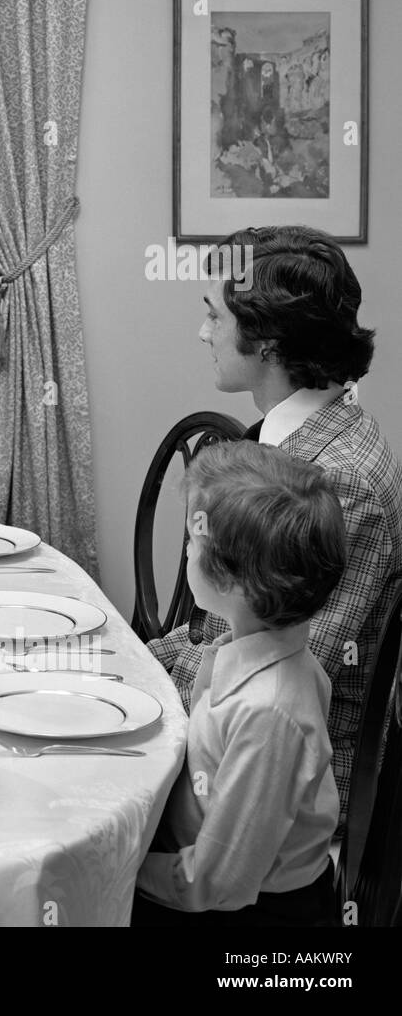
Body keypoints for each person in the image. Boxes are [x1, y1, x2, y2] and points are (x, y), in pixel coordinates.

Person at [148, 226, 402, 809]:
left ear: (266, 341)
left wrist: (133, 670)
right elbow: (217, 640)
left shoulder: (340, 481)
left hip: (281, 785)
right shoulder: (291, 432)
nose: (202, 333)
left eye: (214, 317)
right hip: (228, 726)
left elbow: (277, 672)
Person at [134, 441, 343, 926]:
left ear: (235, 583)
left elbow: (220, 880)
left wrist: (123, 865)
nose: (187, 547)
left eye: (194, 540)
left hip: (250, 912)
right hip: (206, 870)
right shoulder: (254, 648)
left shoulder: (268, 712)